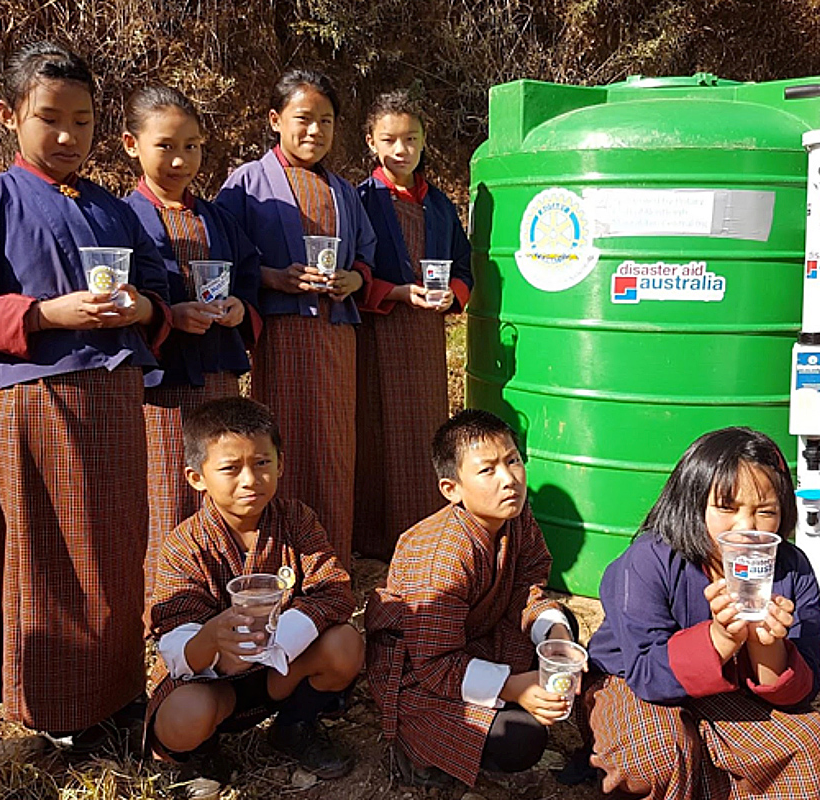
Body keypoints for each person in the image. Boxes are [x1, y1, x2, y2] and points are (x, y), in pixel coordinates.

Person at [0, 42, 171, 750]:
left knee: (118, 548)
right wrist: (42, 314)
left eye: (83, 122)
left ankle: (119, 693)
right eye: (50, 119)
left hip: (117, 397)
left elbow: (157, 288)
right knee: (49, 555)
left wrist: (142, 308)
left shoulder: (112, 209)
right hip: (39, 401)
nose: (68, 137)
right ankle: (58, 712)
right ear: (9, 115)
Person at [582, 427, 820, 800]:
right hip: (630, 686)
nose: (747, 527)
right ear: (693, 503)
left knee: (812, 746)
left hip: (733, 695)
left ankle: (703, 773)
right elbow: (646, 672)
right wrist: (720, 639)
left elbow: (803, 688)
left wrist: (767, 646)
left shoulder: (791, 569)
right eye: (727, 507)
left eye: (765, 511)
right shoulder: (649, 560)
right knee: (655, 756)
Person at [146, 397, 363, 798]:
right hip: (213, 683)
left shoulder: (296, 520)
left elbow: (334, 590)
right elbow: (172, 632)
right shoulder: (185, 545)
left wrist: (279, 638)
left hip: (280, 669)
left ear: (280, 464)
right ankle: (201, 755)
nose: (250, 479)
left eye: (262, 462)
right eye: (230, 468)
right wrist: (212, 638)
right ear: (197, 478)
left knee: (345, 643)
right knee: (186, 715)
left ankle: (295, 725)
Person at [364, 409, 578, 789]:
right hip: (418, 671)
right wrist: (514, 687)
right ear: (452, 489)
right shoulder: (444, 555)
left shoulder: (515, 517)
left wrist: (557, 637)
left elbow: (527, 586)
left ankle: (507, 691)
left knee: (560, 627)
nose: (509, 479)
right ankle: (418, 752)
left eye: (513, 461)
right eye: (487, 470)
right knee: (522, 740)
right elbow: (433, 664)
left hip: (475, 636)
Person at [216, 69, 376, 567]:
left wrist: (354, 281)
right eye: (303, 118)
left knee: (335, 446)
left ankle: (333, 562)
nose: (315, 131)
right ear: (275, 119)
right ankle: (280, 561)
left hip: (337, 336)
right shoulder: (248, 183)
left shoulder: (343, 191)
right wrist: (273, 278)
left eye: (326, 121)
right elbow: (222, 257)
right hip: (282, 336)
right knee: (282, 443)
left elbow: (366, 256)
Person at [121, 85, 262, 614]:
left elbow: (248, 278)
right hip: (162, 386)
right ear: (132, 145)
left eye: (192, 146)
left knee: (223, 489)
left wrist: (240, 309)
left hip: (219, 376)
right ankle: (168, 611)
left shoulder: (217, 218)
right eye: (166, 146)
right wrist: (168, 316)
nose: (180, 160)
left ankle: (223, 598)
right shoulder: (124, 216)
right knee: (169, 493)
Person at [353, 90, 473, 558]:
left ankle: (425, 529)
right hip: (378, 331)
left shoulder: (439, 204)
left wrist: (453, 296)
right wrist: (397, 292)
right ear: (371, 142)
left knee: (425, 425)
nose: (401, 149)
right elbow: (353, 269)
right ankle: (375, 539)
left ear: (424, 140)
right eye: (389, 140)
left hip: (426, 336)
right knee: (377, 429)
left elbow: (464, 267)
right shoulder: (361, 200)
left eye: (411, 139)